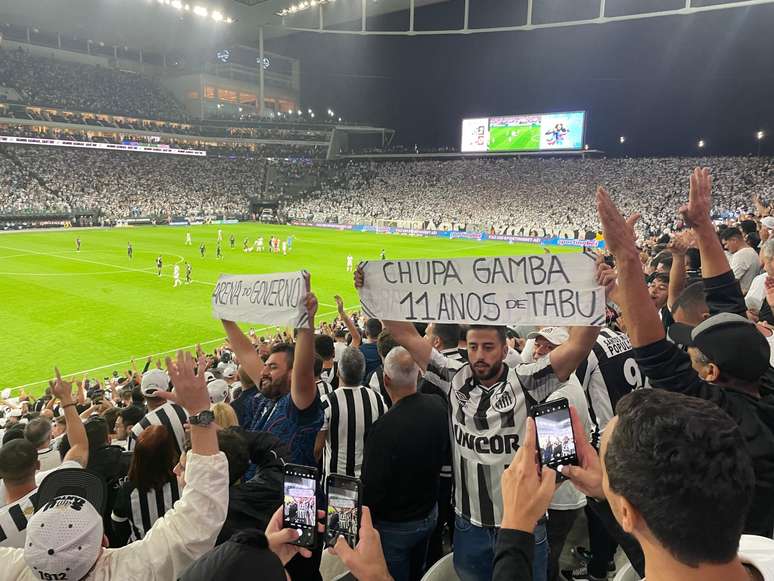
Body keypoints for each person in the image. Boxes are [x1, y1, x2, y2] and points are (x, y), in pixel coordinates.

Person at [365, 258, 600, 581]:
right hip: (469, 524)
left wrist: (597, 292)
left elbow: (578, 345)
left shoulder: (527, 381)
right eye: (474, 347)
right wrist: (374, 292)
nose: (479, 355)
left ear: (504, 350)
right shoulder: (452, 376)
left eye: (489, 347)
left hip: (523, 523)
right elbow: (404, 334)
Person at [596, 169, 774, 539]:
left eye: (692, 353)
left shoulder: (727, 423)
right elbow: (728, 303)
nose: (684, 352)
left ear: (710, 373)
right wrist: (704, 228)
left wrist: (627, 259)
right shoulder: (763, 379)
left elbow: (654, 353)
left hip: (732, 551)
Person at [0, 350, 230, 581]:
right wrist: (200, 413)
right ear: (103, 541)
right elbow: (202, 514)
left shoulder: (16, 571)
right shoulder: (128, 572)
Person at [361, 347, 448, 581]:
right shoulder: (438, 407)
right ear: (419, 374)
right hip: (429, 513)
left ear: (386, 379)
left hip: (396, 526)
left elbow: (372, 490)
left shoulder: (382, 430)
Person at [222, 283, 322, 467]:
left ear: (292, 374)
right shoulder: (266, 396)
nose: (264, 371)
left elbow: (304, 370)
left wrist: (306, 320)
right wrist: (224, 315)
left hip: (288, 494)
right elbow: (247, 354)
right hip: (259, 490)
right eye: (265, 365)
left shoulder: (298, 406)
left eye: (273, 367)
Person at [0, 370, 89, 547]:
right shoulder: (60, 486)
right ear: (37, 465)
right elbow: (80, 446)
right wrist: (65, 399)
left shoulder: (4, 525)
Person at [315, 347, 386, 479]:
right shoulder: (378, 399)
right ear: (363, 372)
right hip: (367, 477)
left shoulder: (327, 402)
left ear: (338, 372)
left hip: (335, 479)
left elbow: (317, 449)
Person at [111, 425, 182, 545]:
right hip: (178, 549)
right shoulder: (182, 482)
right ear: (170, 452)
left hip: (140, 554)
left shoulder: (129, 490)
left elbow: (119, 526)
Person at [128, 369, 188, 456]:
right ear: (167, 389)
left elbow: (133, 464)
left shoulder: (137, 431)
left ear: (142, 392)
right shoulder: (186, 410)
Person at [720, 226, 761, 294]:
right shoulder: (751, 251)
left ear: (734, 240)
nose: (725, 247)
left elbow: (730, 281)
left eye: (726, 244)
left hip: (740, 297)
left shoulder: (741, 255)